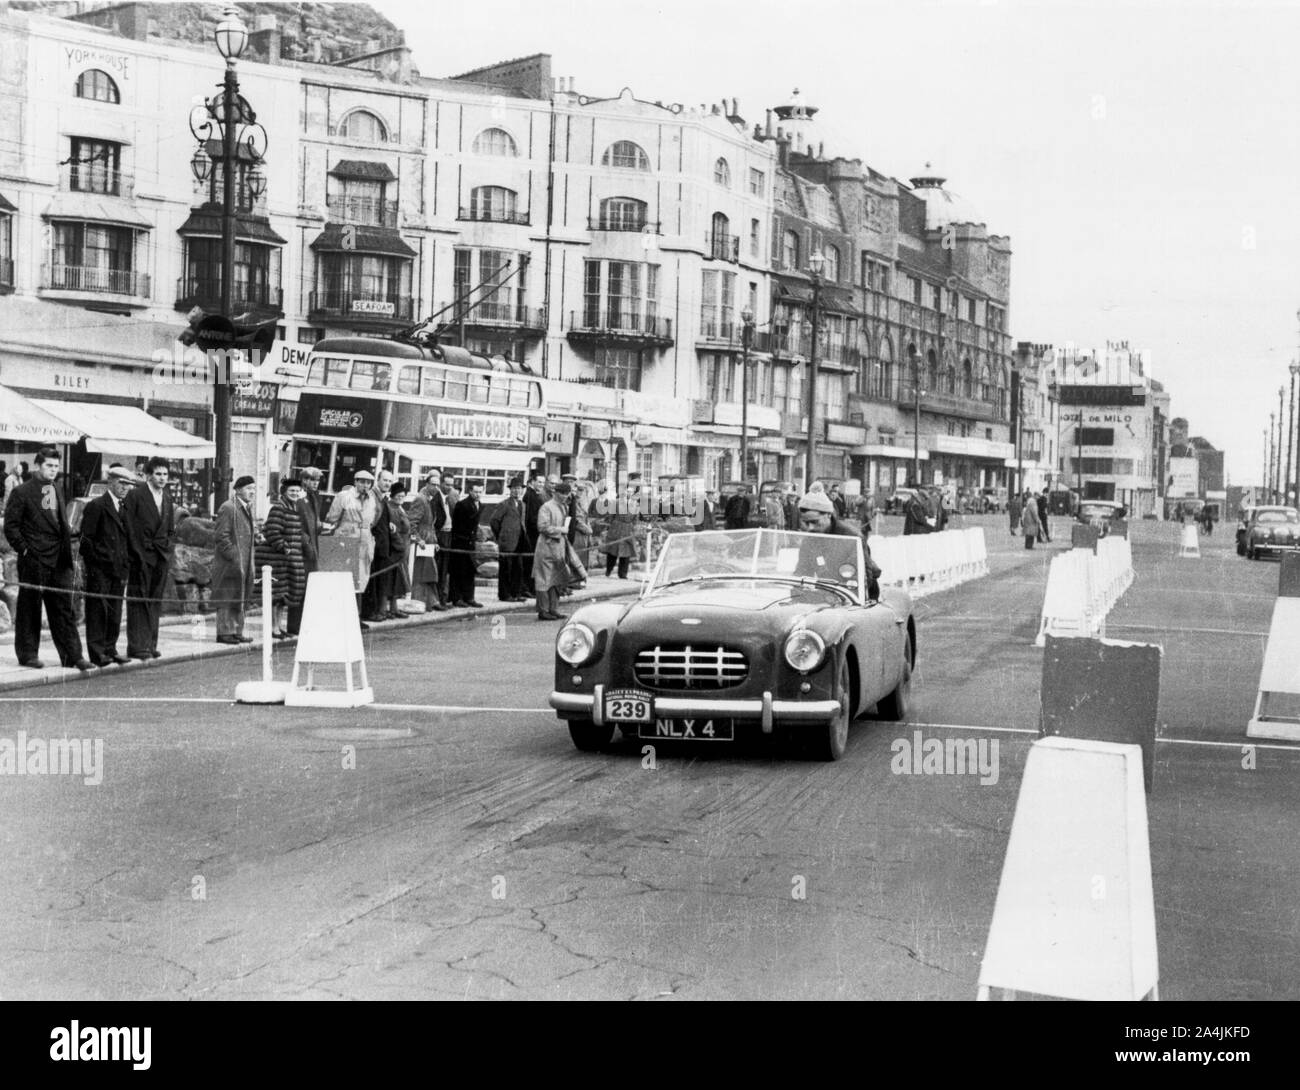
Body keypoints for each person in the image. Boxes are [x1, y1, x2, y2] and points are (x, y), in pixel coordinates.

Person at [2, 447, 91, 670]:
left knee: (63, 608)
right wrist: (25, 551)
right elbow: (11, 528)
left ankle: (73, 655)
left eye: (55, 466)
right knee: (29, 607)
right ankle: (28, 654)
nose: (53, 470)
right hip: (34, 559)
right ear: (37, 466)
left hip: (59, 560)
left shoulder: (57, 490)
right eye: (49, 466)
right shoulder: (22, 492)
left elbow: (60, 524)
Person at [78, 465, 136, 666]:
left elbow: (127, 539)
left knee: (115, 612)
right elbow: (86, 541)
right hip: (101, 570)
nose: (125, 488)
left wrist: (125, 564)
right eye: (121, 483)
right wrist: (97, 563)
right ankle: (97, 652)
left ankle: (110, 649)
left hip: (118, 569)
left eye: (128, 485)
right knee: (97, 612)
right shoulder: (97, 506)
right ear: (110, 482)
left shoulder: (124, 507)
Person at [123, 456, 175, 660]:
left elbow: (171, 528)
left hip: (161, 556)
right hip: (141, 556)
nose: (162, 478)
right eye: (158, 474)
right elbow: (129, 527)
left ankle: (151, 643)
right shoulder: (136, 495)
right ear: (148, 475)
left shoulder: (167, 498)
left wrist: (168, 548)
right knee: (138, 601)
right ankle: (137, 646)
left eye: (165, 474)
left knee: (154, 601)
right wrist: (137, 553)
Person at [794, 490, 882, 601]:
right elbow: (802, 572)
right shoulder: (809, 540)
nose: (810, 528)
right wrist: (797, 593)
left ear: (828, 515)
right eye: (806, 523)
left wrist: (836, 597)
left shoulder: (852, 538)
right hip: (826, 597)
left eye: (815, 522)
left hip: (857, 599)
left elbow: (862, 577)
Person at [324, 469, 381, 629]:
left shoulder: (372, 499)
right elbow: (332, 517)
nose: (365, 485)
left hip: (364, 539)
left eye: (368, 482)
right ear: (355, 482)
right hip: (346, 537)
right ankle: (340, 616)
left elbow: (374, 518)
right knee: (344, 579)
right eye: (362, 481)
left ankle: (356, 616)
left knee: (361, 578)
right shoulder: (344, 496)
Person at [258, 478, 308, 638]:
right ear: (284, 492)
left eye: (297, 491)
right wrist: (285, 549)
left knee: (283, 597)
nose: (295, 493)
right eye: (291, 491)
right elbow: (272, 532)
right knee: (276, 596)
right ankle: (274, 628)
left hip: (288, 559)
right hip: (277, 559)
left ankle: (278, 626)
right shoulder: (279, 508)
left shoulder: (292, 507)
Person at [211, 476, 257, 645]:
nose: (252, 492)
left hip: (243, 562)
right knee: (227, 595)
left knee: (240, 594)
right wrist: (233, 556)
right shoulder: (229, 507)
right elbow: (221, 536)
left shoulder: (245, 507)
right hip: (229, 563)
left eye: (253, 488)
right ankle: (224, 632)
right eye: (248, 488)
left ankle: (236, 630)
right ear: (237, 490)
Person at [534, 480, 577, 621]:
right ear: (555, 493)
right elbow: (542, 526)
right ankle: (543, 610)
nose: (565, 496)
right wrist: (561, 530)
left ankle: (553, 609)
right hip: (546, 548)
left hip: (558, 548)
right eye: (562, 493)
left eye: (567, 493)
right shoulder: (546, 507)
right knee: (543, 580)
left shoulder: (563, 507)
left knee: (556, 580)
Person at [289, 466, 323, 636]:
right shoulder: (300, 499)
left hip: (312, 546)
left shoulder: (313, 498)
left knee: (309, 586)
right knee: (299, 586)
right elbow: (297, 524)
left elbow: (313, 521)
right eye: (311, 479)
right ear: (303, 480)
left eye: (316, 480)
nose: (315, 483)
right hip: (303, 549)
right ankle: (295, 624)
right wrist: (306, 543)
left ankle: (304, 623)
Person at [408, 471, 448, 612]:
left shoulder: (430, 499)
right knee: (421, 573)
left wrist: (435, 541)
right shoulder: (420, 499)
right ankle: (425, 601)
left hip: (429, 541)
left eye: (437, 485)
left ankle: (430, 601)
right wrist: (418, 539)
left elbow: (431, 524)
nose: (436, 487)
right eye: (433, 484)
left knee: (428, 572)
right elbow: (411, 522)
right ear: (426, 484)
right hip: (422, 543)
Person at [490, 477, 528, 602]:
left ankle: (516, 593)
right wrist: (501, 535)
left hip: (519, 541)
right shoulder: (504, 504)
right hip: (507, 542)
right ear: (510, 490)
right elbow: (494, 521)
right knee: (506, 569)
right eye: (514, 489)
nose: (517, 492)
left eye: (519, 489)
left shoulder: (523, 505)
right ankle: (505, 595)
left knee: (518, 568)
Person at [448, 480, 483, 608]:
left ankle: (469, 597)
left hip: (471, 544)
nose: (478, 494)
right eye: (475, 492)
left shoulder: (480, 505)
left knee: (470, 571)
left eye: (480, 492)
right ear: (470, 491)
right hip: (460, 543)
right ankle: (457, 598)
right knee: (459, 571)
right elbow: (457, 526)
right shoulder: (462, 505)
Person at [383, 481, 412, 618]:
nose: (401, 498)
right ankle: (386, 609)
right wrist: (400, 547)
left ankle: (393, 608)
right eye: (398, 495)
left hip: (402, 548)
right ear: (392, 495)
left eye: (403, 495)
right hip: (396, 549)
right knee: (390, 580)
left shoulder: (400, 508)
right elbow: (394, 531)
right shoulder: (391, 508)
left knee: (397, 580)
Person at [600, 486, 638, 579]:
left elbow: (636, 519)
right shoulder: (616, 502)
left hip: (628, 529)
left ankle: (623, 574)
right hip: (616, 528)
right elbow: (610, 516)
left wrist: (633, 528)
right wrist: (611, 526)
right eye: (627, 491)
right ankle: (608, 570)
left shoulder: (635, 504)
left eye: (631, 492)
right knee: (612, 551)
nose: (628, 494)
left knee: (626, 553)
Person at [562, 473, 591, 590]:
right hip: (575, 532)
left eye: (582, 490)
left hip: (582, 533)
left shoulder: (579, 500)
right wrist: (587, 529)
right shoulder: (568, 498)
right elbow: (576, 519)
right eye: (568, 482)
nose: (580, 492)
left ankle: (579, 579)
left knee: (581, 557)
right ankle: (573, 580)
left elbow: (584, 516)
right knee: (575, 556)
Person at [521, 473, 547, 596]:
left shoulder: (535, 495)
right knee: (530, 562)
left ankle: (531, 587)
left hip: (534, 534)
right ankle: (528, 588)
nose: (541, 484)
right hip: (532, 535)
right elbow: (531, 518)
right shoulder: (531, 496)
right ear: (533, 482)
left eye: (543, 482)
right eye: (539, 482)